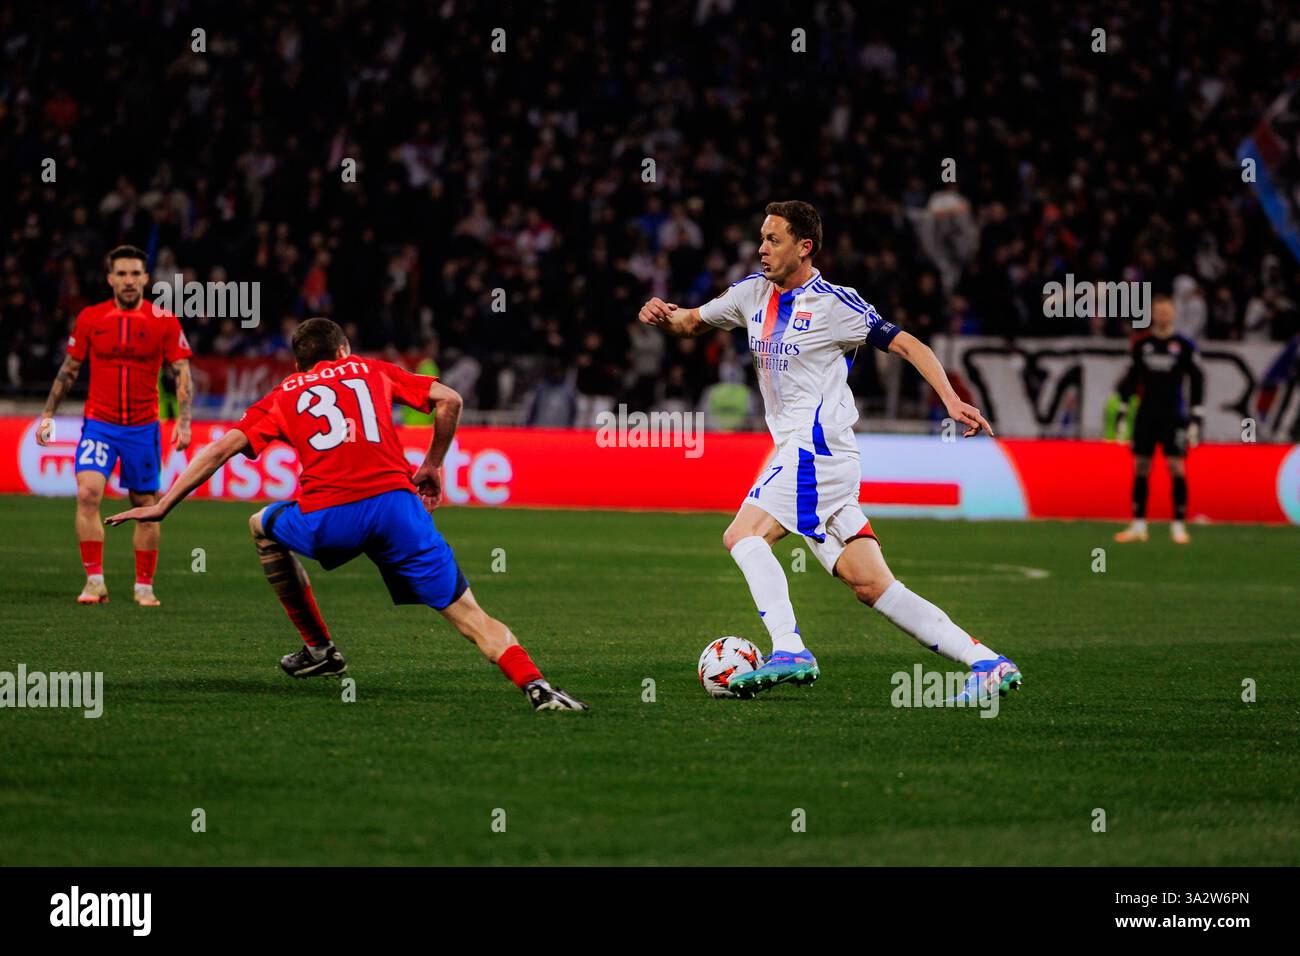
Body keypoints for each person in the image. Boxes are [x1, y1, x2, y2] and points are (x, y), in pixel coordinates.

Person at [637, 201, 1021, 701]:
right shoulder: (751, 294)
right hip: (815, 459)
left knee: (743, 535)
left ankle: (789, 647)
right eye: (761, 237)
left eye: (774, 239)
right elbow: (690, 323)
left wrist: (950, 400)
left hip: (815, 451)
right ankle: (987, 662)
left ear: (805, 247)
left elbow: (910, 346)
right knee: (872, 585)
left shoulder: (835, 304)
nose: (761, 248)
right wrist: (662, 314)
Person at [107, 317, 587, 712]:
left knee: (261, 525)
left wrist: (165, 504)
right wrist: (433, 465)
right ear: (342, 351)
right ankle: (537, 687)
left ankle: (320, 649)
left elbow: (221, 449)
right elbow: (450, 400)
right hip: (399, 509)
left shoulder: (284, 394)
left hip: (330, 518)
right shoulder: (370, 370)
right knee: (469, 614)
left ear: (299, 362)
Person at [36, 245, 193, 606]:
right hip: (100, 425)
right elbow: (69, 370)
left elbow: (182, 371)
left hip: (143, 428)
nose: (128, 280)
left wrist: (184, 422)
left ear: (146, 278)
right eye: (121, 273)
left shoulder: (163, 320)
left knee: (145, 503)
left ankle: (143, 586)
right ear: (110, 278)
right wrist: (48, 414)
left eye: (135, 273)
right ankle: (95, 582)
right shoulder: (91, 318)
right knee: (88, 493)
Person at [1112, 295, 1204, 544]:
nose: (1162, 315)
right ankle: (1139, 525)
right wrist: (1122, 409)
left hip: (1173, 415)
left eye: (1166, 310)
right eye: (1158, 311)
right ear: (1152, 314)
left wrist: (1197, 415)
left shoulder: (1184, 345)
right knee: (1141, 466)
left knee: (1176, 467)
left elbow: (1196, 379)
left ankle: (1178, 525)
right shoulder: (1142, 344)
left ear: (1173, 314)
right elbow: (1131, 379)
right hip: (1146, 414)